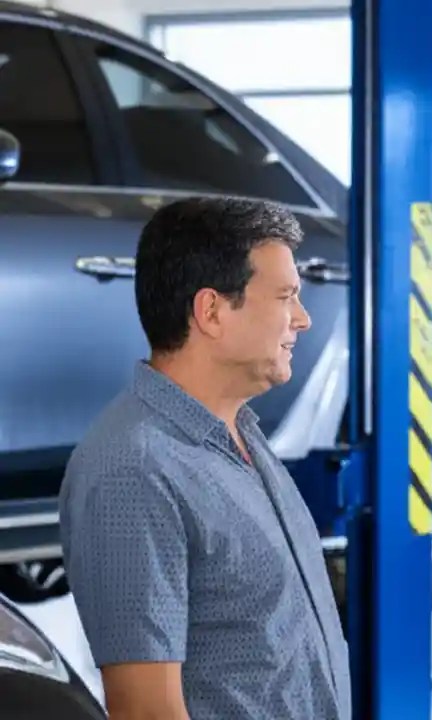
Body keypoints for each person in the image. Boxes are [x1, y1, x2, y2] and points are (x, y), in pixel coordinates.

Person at [59, 197, 351, 720]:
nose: (303, 319)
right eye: (286, 296)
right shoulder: (135, 470)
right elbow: (147, 711)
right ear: (211, 311)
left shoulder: (239, 436)